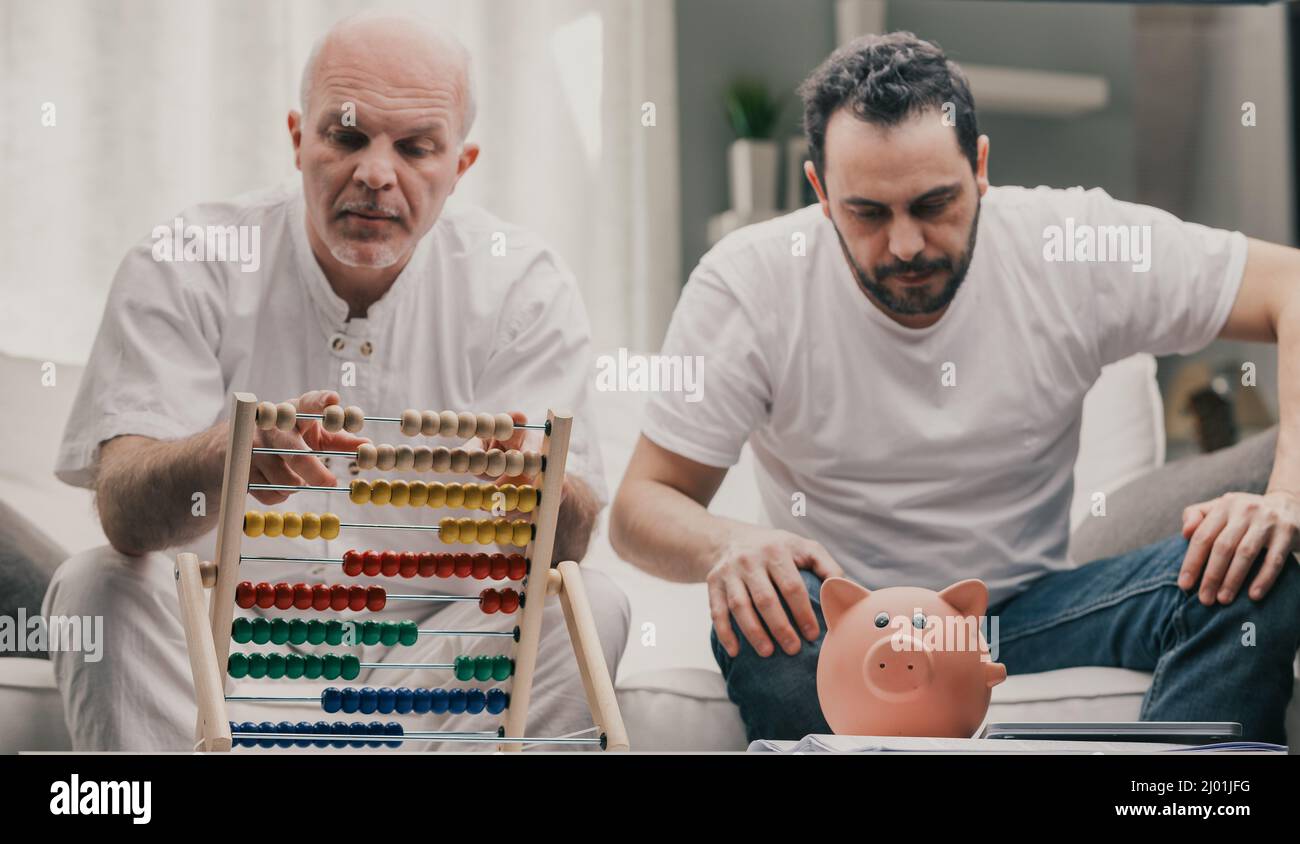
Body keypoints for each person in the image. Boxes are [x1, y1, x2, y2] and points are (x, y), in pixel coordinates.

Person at [610, 32, 1300, 744]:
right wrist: (729, 544)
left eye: (934, 203)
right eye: (868, 213)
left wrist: (1285, 498)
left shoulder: (1072, 244)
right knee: (763, 618)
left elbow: (1292, 285)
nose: (905, 245)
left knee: (1259, 576)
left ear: (980, 167)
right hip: (844, 622)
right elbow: (640, 505)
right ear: (820, 191)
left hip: (1026, 616)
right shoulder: (749, 284)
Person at [44, 11, 628, 751]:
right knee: (97, 586)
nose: (376, 174)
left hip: (434, 671)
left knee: (589, 602)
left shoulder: (523, 286)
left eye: (416, 148)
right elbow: (123, 511)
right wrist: (233, 454)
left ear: (462, 164)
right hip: (219, 664)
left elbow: (569, 542)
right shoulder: (187, 260)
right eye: (347, 137)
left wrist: (540, 487)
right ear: (298, 139)